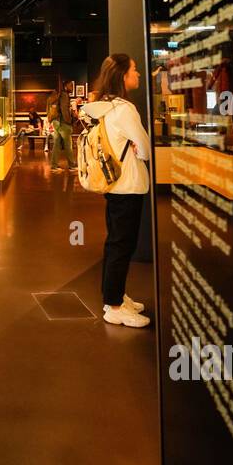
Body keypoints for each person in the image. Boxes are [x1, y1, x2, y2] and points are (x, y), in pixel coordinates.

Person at [81, 54, 152, 328]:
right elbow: (144, 148)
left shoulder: (103, 107)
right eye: (134, 70)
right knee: (122, 245)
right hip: (129, 186)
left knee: (115, 243)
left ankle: (115, 295)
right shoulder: (124, 110)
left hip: (114, 185)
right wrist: (138, 148)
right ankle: (114, 306)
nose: (137, 74)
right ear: (123, 76)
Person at [47, 79, 76, 171]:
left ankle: (54, 166)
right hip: (63, 123)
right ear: (65, 86)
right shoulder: (64, 95)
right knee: (68, 145)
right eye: (71, 85)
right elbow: (64, 110)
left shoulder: (58, 95)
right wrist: (69, 121)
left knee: (57, 144)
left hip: (56, 122)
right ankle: (72, 165)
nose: (72, 87)